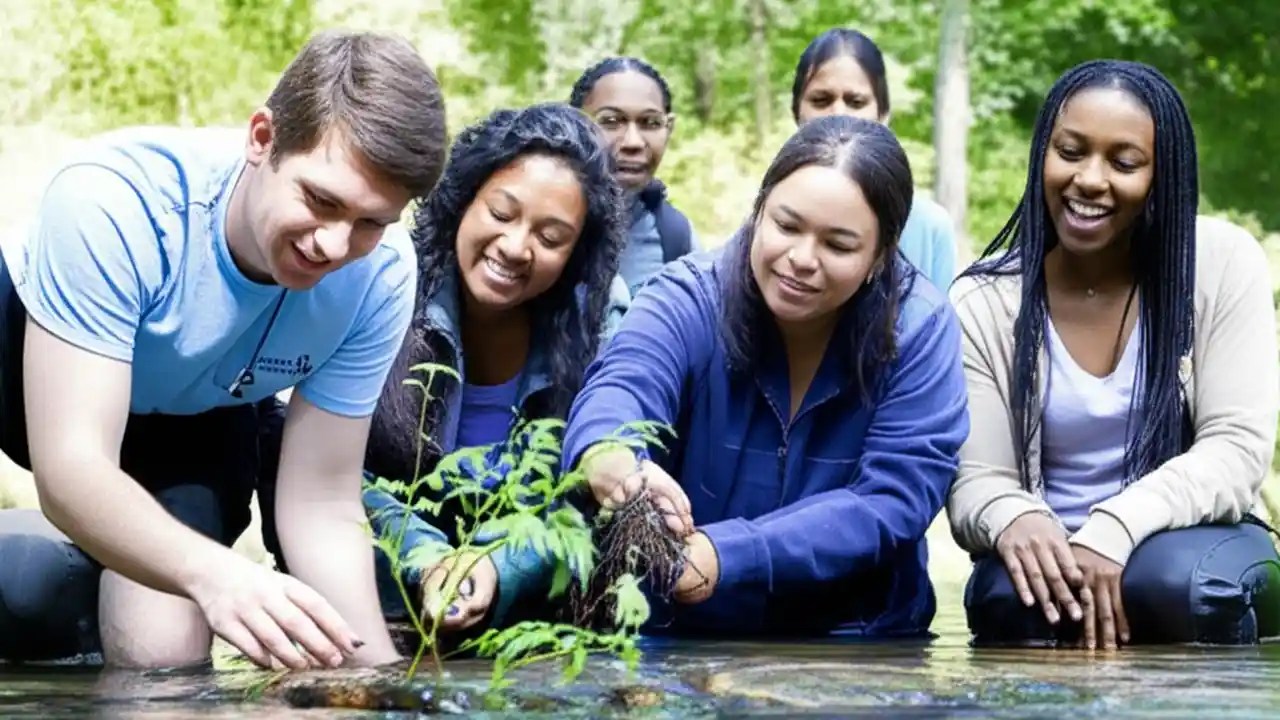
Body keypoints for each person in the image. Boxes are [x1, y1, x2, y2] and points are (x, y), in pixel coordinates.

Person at [0, 30, 447, 669]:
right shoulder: (112, 202)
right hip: (33, 358)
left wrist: (377, 683)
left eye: (371, 221)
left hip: (197, 410)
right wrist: (221, 576)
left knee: (163, 656)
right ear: (262, 138)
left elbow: (320, 501)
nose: (333, 245)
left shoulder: (381, 275)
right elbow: (71, 469)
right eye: (321, 201)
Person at [561, 115, 969, 637]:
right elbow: (623, 385)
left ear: (879, 257)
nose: (801, 259)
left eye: (838, 246)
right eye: (786, 225)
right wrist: (612, 455)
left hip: (858, 637)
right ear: (758, 210)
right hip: (679, 631)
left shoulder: (918, 328)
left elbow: (895, 496)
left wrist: (728, 554)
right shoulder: (688, 297)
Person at [259, 103, 629, 634]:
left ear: (576, 254)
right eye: (501, 214)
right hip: (370, 611)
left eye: (550, 238)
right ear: (462, 203)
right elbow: (310, 468)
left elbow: (594, 499)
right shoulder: (379, 287)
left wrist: (499, 567)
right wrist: (425, 557)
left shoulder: (598, 321)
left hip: (529, 636)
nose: (515, 246)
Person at [948, 59, 1280, 650]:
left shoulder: (1223, 263)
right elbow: (978, 475)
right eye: (1070, 151)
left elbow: (1236, 449)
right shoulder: (982, 299)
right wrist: (1010, 515)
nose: (1089, 179)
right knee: (1009, 600)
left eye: (1124, 163)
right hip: (1054, 549)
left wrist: (1116, 527)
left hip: (1190, 543)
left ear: (1162, 175)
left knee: (1176, 588)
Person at [791, 28, 958, 292]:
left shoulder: (929, 229)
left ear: (883, 114)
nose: (838, 114)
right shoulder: (770, 216)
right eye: (821, 100)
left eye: (855, 102)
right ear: (797, 112)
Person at [570, 57, 698, 295]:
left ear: (668, 129)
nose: (633, 142)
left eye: (650, 123)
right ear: (574, 124)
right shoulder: (534, 223)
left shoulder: (677, 240)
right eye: (611, 121)